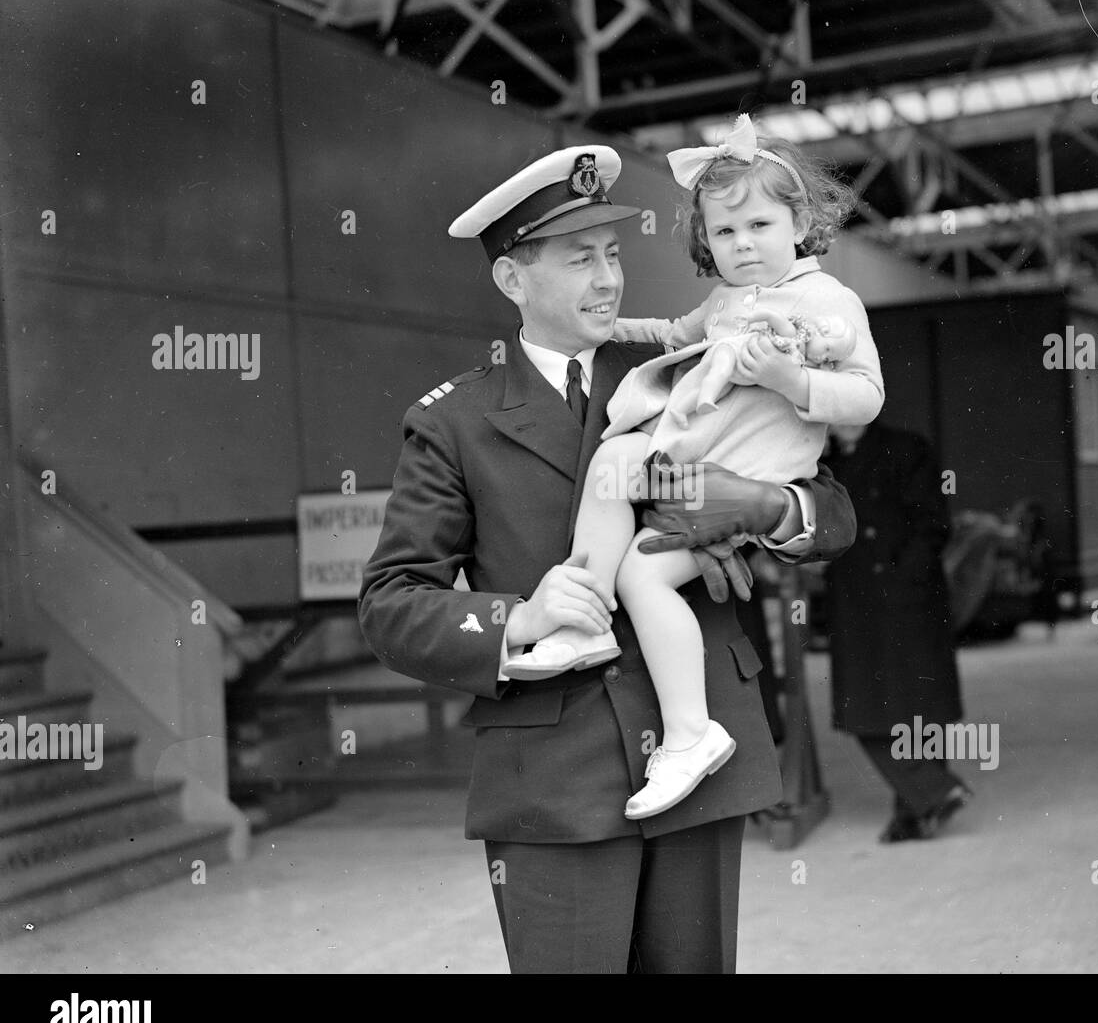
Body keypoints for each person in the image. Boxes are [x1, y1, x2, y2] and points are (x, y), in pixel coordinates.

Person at [357, 143, 858, 973]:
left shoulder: (696, 358)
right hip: (555, 777)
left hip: (703, 757)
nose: (607, 280)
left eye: (615, 254)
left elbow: (833, 507)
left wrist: (768, 506)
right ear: (512, 280)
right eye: (578, 258)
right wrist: (519, 619)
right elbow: (390, 603)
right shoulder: (455, 421)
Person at [503, 116, 886, 822]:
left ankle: (589, 626)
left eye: (760, 226)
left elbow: (865, 398)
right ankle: (687, 729)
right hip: (698, 465)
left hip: (743, 472)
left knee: (617, 458)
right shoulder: (727, 301)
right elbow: (675, 335)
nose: (743, 246)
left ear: (800, 223)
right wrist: (608, 329)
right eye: (725, 234)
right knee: (642, 575)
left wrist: (790, 382)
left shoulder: (827, 303)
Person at [823, 422, 972, 842]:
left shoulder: (906, 448)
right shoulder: (825, 460)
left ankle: (917, 810)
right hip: (855, 600)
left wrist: (902, 580)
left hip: (910, 597)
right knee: (864, 707)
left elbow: (933, 524)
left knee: (921, 707)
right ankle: (933, 793)